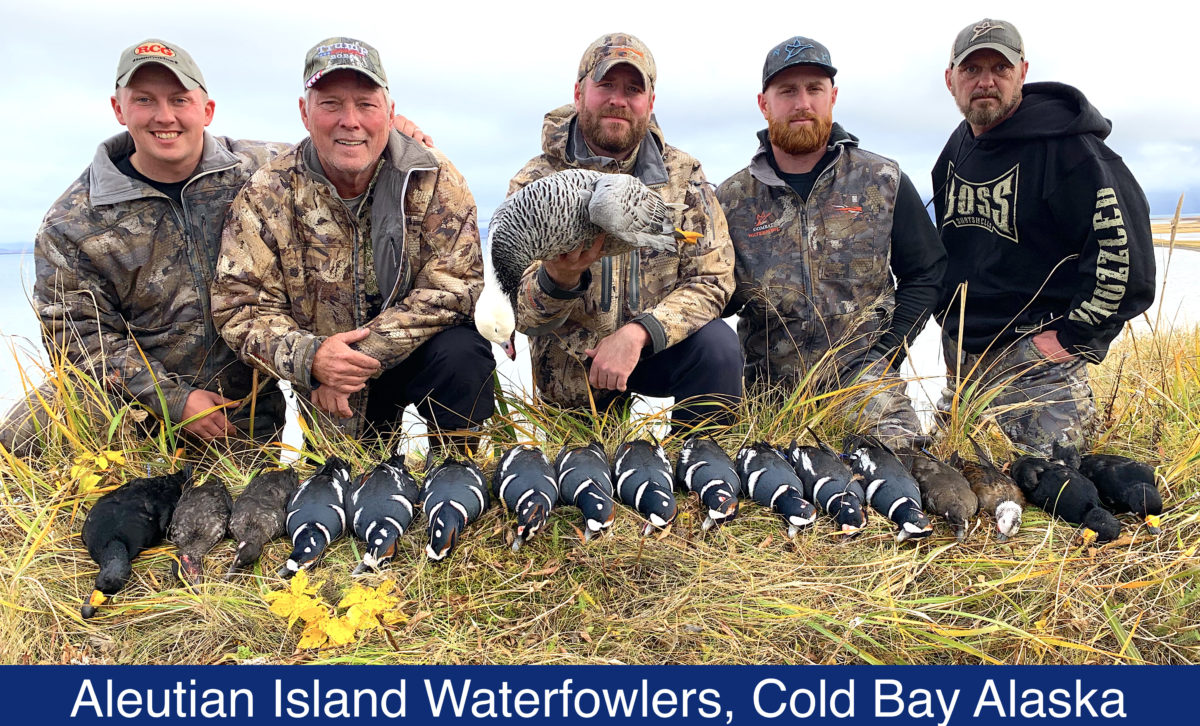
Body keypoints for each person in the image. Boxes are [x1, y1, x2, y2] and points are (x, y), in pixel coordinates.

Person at [0, 39, 290, 457]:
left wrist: (398, 133)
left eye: (179, 100)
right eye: (144, 100)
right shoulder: (73, 222)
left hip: (243, 414)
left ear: (206, 110)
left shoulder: (264, 169)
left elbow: (345, 149)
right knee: (21, 439)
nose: (164, 116)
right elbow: (77, 339)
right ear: (119, 109)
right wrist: (174, 401)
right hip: (135, 409)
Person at [212, 37, 494, 449]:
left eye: (366, 103)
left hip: (405, 354)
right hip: (327, 392)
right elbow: (239, 308)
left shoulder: (434, 178)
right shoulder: (266, 192)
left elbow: (454, 289)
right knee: (346, 480)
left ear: (390, 113)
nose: (350, 120)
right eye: (330, 104)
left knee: (463, 355)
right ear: (304, 113)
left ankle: (457, 468)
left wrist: (356, 360)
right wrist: (312, 359)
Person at [933, 19, 1155, 455]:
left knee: (1050, 480)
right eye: (971, 69)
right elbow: (950, 244)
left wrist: (1073, 336)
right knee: (949, 466)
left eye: (1000, 67)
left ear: (1022, 72)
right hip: (964, 356)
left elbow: (1124, 252)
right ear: (950, 79)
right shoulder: (958, 145)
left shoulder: (1071, 149)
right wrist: (945, 315)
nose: (986, 81)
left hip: (1036, 361)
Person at [717, 36, 946, 448]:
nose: (802, 103)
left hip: (862, 385)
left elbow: (926, 271)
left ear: (833, 97)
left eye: (814, 89)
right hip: (767, 397)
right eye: (787, 91)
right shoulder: (731, 200)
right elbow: (716, 293)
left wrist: (889, 351)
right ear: (763, 103)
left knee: (905, 466)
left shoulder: (884, 180)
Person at [508, 32, 741, 431]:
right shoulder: (536, 182)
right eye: (606, 85)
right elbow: (519, 311)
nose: (619, 99)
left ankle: (703, 464)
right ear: (579, 92)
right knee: (579, 476)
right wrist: (557, 280)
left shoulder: (684, 176)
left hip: (656, 348)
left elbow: (714, 278)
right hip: (572, 371)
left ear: (650, 103)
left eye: (633, 89)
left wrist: (638, 334)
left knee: (718, 346)